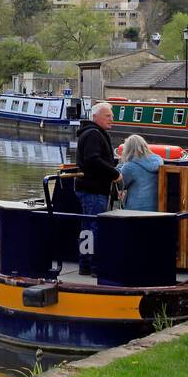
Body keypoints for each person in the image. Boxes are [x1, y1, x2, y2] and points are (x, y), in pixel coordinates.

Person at [74, 102, 122, 274]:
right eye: (108, 116)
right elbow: (92, 160)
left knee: (88, 227)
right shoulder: (94, 134)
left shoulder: (94, 133)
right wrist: (114, 173)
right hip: (92, 189)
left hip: (94, 188)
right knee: (92, 227)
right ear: (95, 117)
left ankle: (86, 266)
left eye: (112, 116)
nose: (112, 120)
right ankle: (94, 266)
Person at [118, 134, 162, 211]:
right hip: (156, 207)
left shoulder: (130, 166)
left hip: (135, 209)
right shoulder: (158, 161)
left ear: (127, 149)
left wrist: (119, 166)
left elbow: (120, 184)